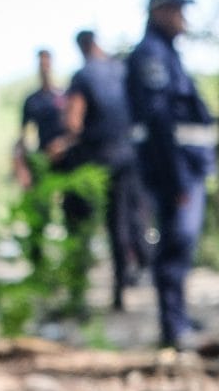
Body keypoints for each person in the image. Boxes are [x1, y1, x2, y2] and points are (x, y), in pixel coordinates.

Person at [126, 0, 217, 349]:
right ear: (159, 12)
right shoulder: (151, 55)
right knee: (175, 245)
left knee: (182, 246)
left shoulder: (167, 54)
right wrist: (178, 179)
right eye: (178, 11)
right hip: (175, 172)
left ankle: (178, 317)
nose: (184, 19)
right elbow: (160, 122)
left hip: (187, 168)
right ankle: (173, 326)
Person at [50, 31, 150, 312]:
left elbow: (74, 123)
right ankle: (120, 291)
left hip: (95, 162)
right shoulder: (121, 70)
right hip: (127, 157)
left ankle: (77, 291)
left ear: (82, 47)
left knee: (80, 222)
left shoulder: (83, 76)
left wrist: (63, 143)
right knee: (120, 224)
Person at [12, 49, 66, 274]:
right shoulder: (32, 101)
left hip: (63, 161)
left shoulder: (61, 97)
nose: (44, 67)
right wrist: (21, 167)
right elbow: (22, 137)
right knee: (38, 214)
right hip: (40, 163)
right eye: (41, 64)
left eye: (47, 63)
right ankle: (39, 266)